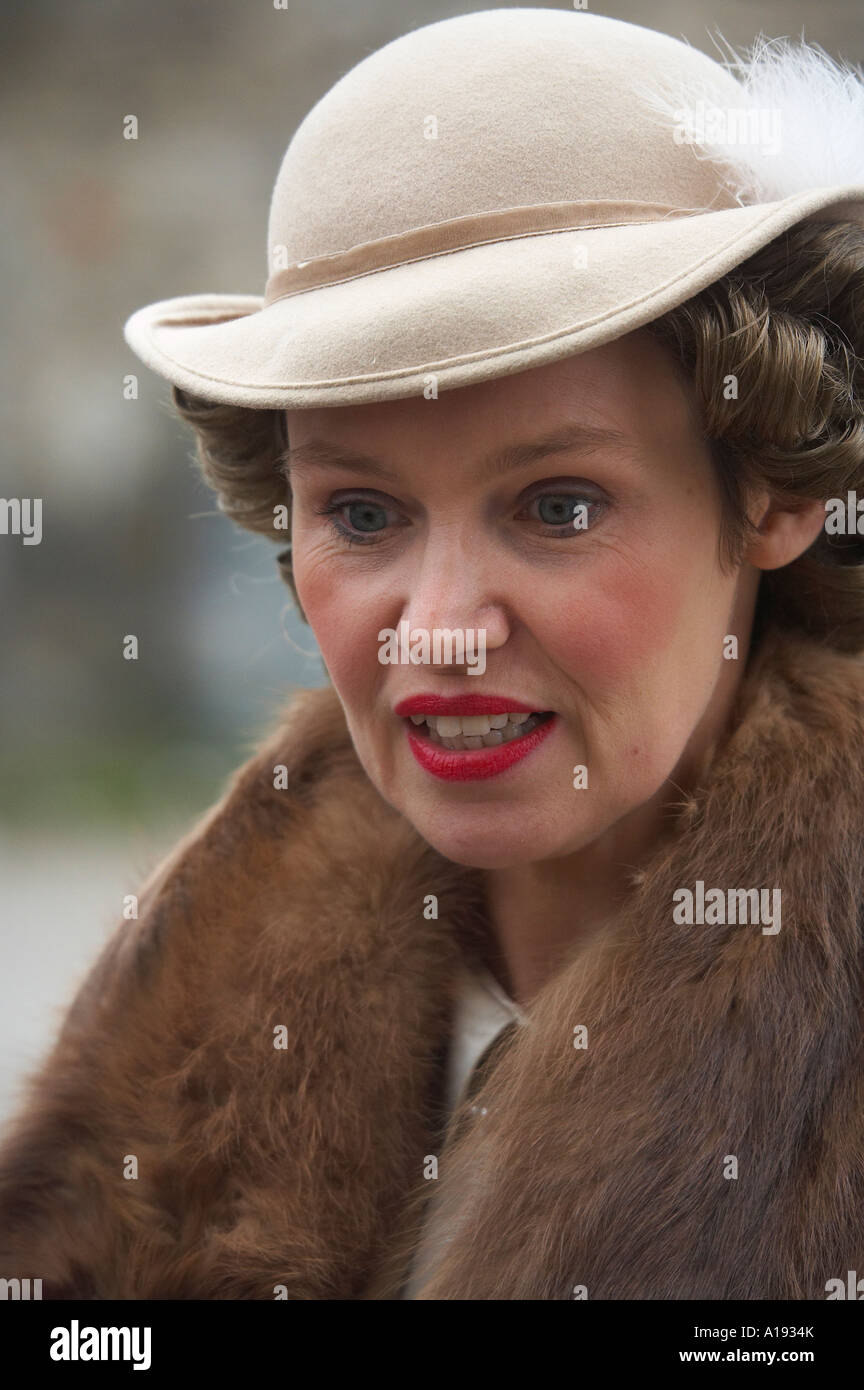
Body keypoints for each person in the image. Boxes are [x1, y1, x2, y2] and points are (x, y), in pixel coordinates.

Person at [3, 7, 864, 1300]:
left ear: (776, 496)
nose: (441, 625)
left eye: (559, 507)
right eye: (362, 514)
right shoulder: (195, 983)